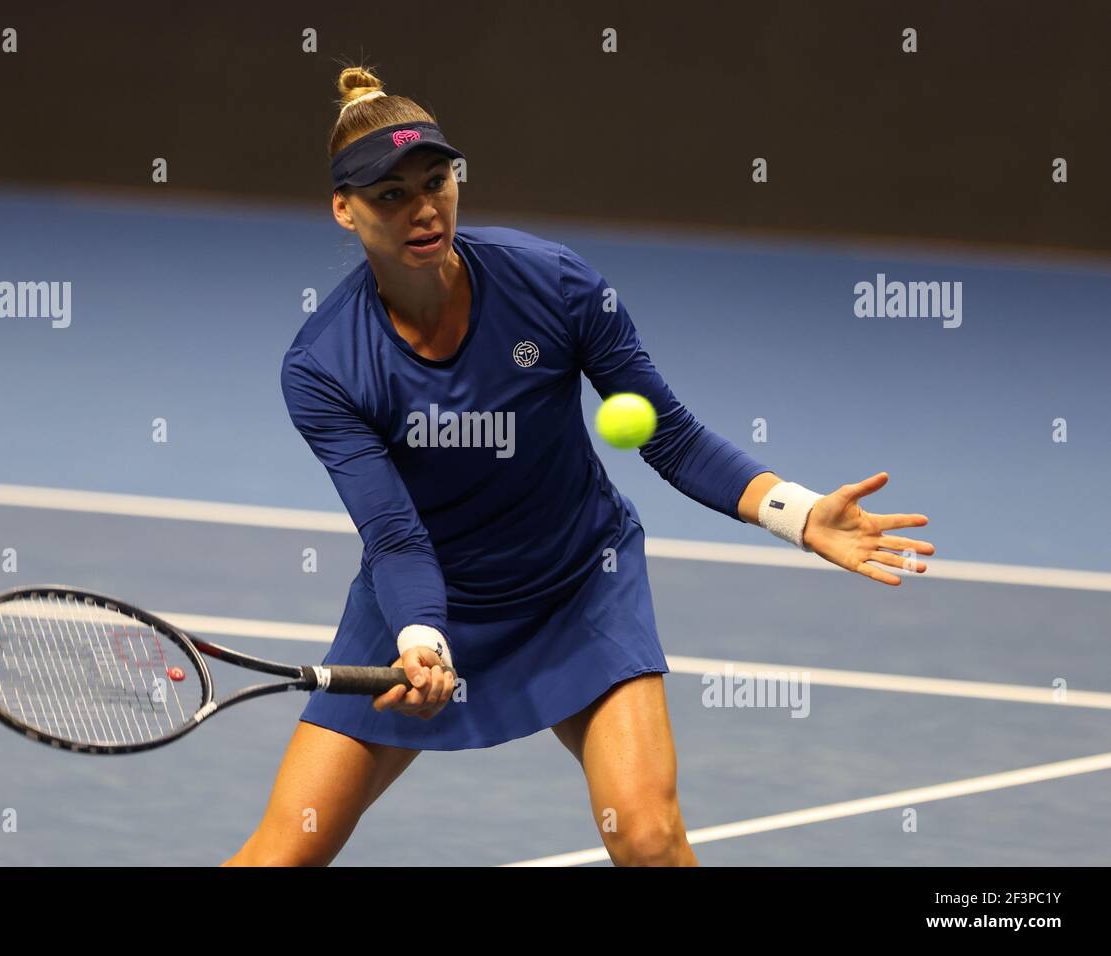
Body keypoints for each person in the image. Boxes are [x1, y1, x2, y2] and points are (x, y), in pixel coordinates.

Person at [223, 66, 935, 867]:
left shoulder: (553, 285)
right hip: (432, 602)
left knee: (649, 839)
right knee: (281, 856)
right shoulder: (325, 366)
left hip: (577, 583)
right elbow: (394, 535)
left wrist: (799, 514)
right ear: (344, 210)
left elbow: (672, 436)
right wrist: (422, 639)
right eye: (390, 195)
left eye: (437, 181)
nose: (425, 208)